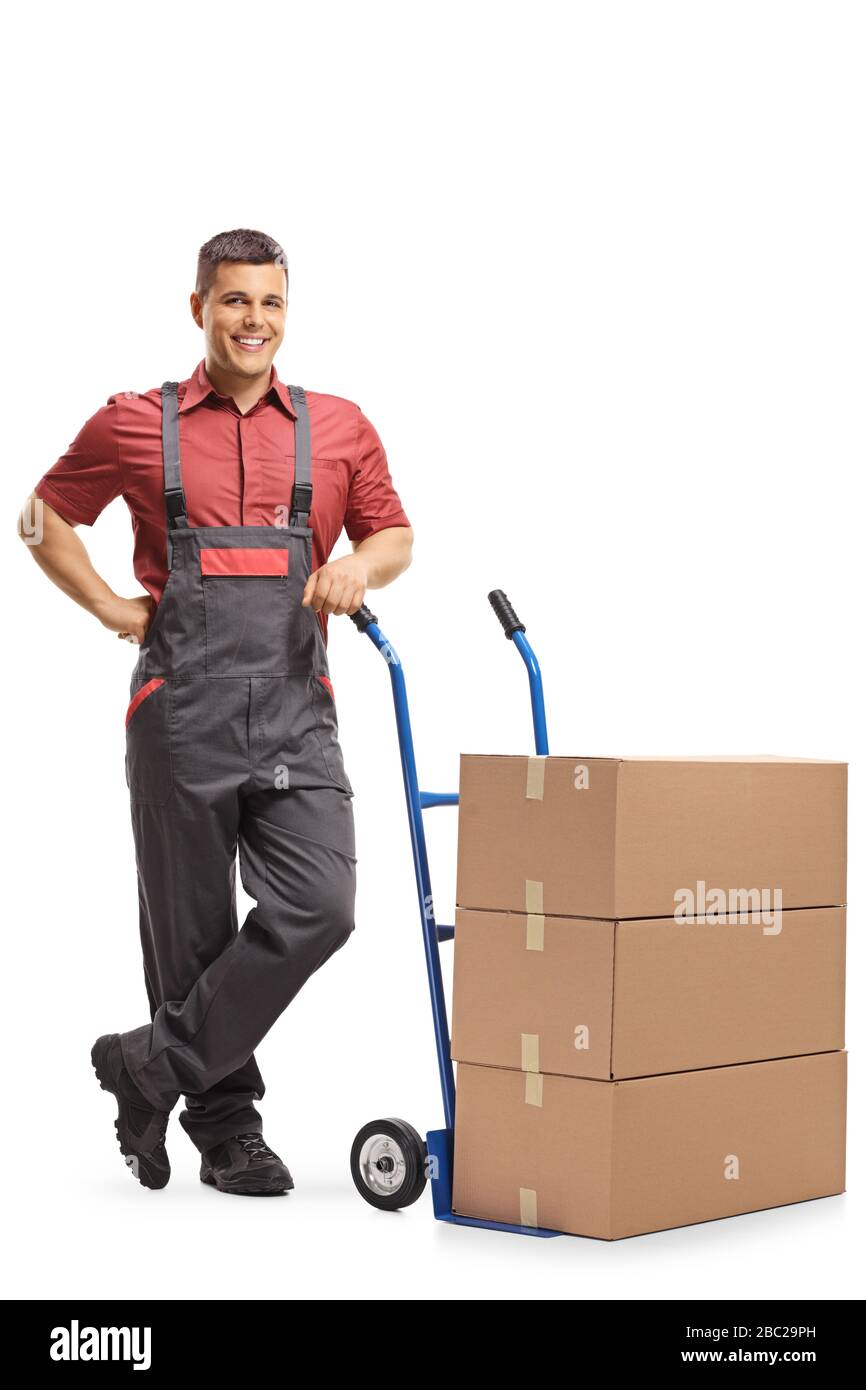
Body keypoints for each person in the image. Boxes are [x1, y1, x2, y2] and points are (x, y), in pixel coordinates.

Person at [18, 228, 413, 1196]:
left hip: (295, 710)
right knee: (190, 936)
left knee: (320, 905)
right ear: (197, 306)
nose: (253, 321)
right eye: (234, 301)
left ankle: (147, 1065)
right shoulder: (133, 422)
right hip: (179, 713)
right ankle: (228, 1133)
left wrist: (359, 562)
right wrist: (110, 604)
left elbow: (395, 532)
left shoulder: (338, 426)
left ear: (288, 311)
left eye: (270, 303)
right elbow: (38, 515)